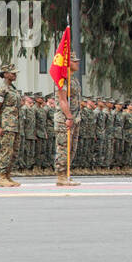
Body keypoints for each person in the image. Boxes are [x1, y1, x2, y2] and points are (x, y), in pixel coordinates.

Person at [53, 54, 82, 186]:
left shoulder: (73, 79)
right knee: (63, 148)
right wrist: (69, 116)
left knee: (72, 148)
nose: (77, 63)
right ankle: (61, 175)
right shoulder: (63, 79)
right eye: (74, 61)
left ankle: (67, 174)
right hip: (64, 119)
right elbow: (62, 100)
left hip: (74, 118)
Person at [0, 63, 22, 186]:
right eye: (12, 73)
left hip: (15, 124)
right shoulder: (2, 88)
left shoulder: (13, 89)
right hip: (7, 124)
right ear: (5, 74)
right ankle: (2, 177)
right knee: (6, 150)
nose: (15, 75)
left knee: (14, 151)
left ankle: (8, 175)